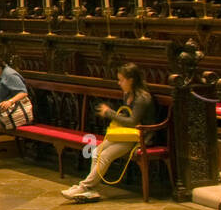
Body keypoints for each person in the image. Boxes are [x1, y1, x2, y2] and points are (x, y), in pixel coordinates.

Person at [61, 63, 155, 202]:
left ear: (131, 80)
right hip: (124, 133)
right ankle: (91, 190)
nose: (119, 83)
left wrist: (109, 113)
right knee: (96, 152)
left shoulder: (142, 98)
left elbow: (132, 122)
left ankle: (84, 187)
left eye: (121, 80)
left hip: (138, 137)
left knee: (105, 155)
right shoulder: (128, 94)